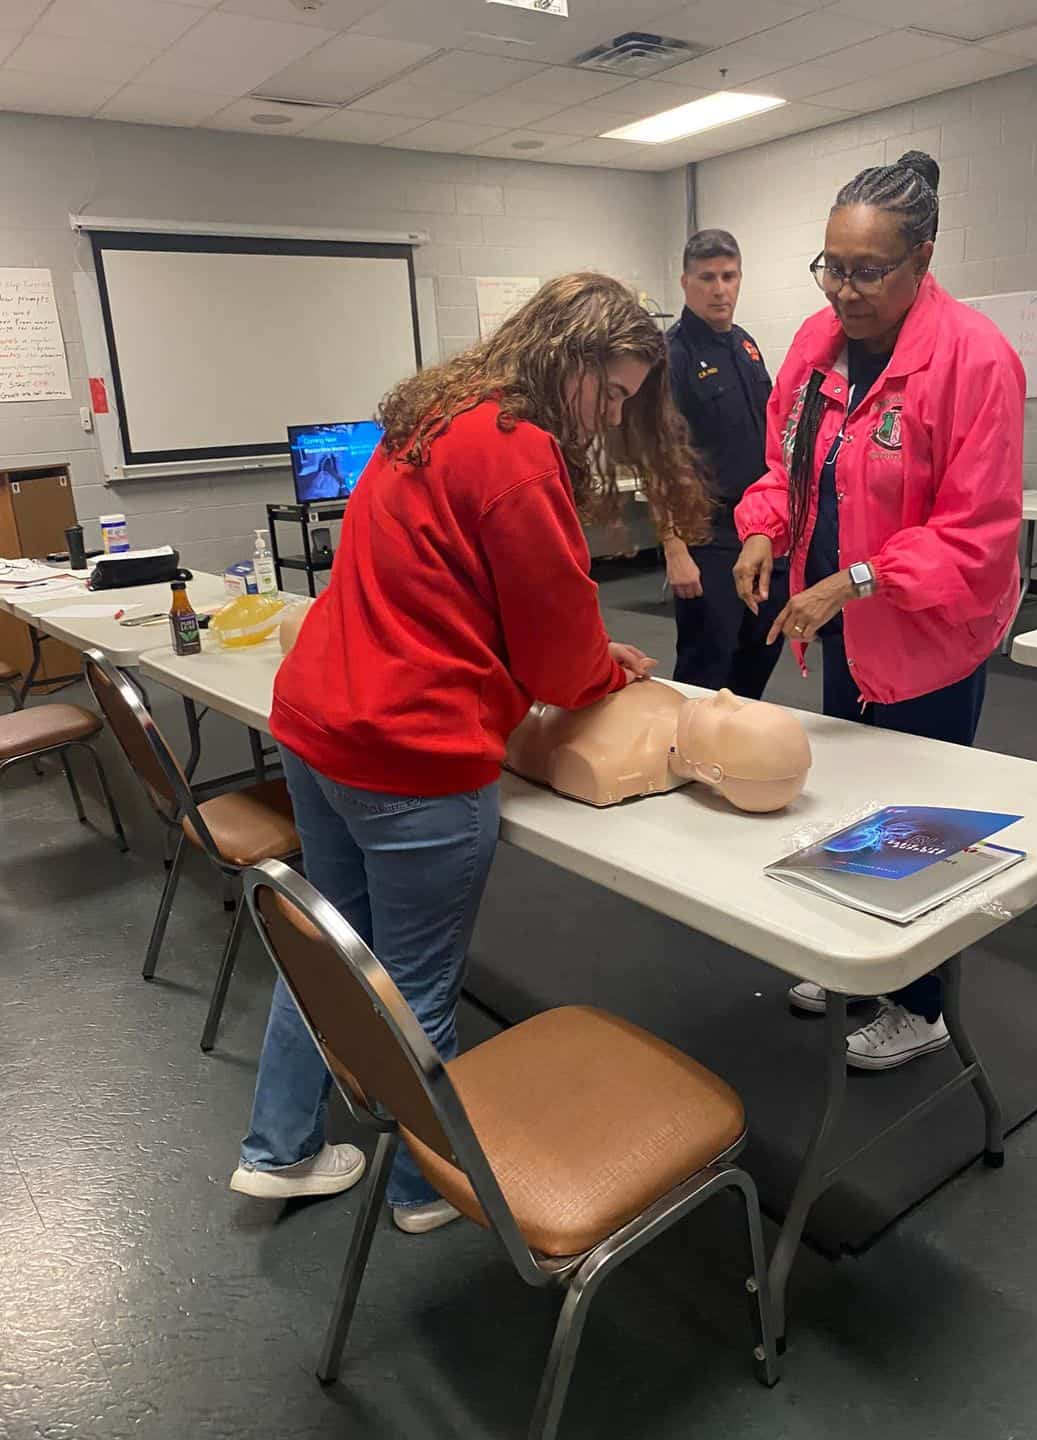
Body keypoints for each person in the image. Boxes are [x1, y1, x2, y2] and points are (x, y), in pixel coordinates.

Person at [229, 273, 709, 1230]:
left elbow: (451, 586)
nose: (612, 415)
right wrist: (601, 672)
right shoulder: (519, 454)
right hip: (410, 754)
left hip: (322, 727)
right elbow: (563, 652)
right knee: (417, 987)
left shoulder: (438, 414)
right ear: (568, 358)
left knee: (335, 952)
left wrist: (568, 651)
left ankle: (276, 1150)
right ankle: (421, 1187)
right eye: (610, 392)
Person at [733, 152, 1024, 1071]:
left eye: (867, 270)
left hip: (929, 631)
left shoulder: (975, 361)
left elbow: (973, 536)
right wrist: (763, 531)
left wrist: (850, 582)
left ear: (922, 258)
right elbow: (792, 468)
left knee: (923, 821)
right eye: (831, 266)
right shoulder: (816, 347)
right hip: (844, 627)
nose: (844, 291)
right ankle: (866, 954)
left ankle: (923, 999)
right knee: (856, 801)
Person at [664, 229, 787, 695]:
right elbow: (660, 459)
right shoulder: (673, 355)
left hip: (761, 531)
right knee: (705, 670)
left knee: (760, 649)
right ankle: (688, 759)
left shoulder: (744, 344)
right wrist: (675, 551)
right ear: (685, 282)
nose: (720, 289)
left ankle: (736, 757)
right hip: (707, 538)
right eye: (708, 277)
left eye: (729, 276)